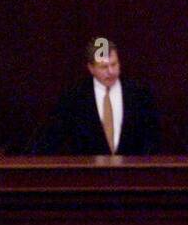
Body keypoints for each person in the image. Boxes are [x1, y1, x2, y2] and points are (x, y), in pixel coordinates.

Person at [32, 37, 160, 155]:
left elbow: (152, 136)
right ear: (91, 68)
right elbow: (53, 138)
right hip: (88, 175)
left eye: (114, 64)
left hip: (132, 174)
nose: (111, 71)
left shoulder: (138, 94)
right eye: (104, 67)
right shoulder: (75, 98)